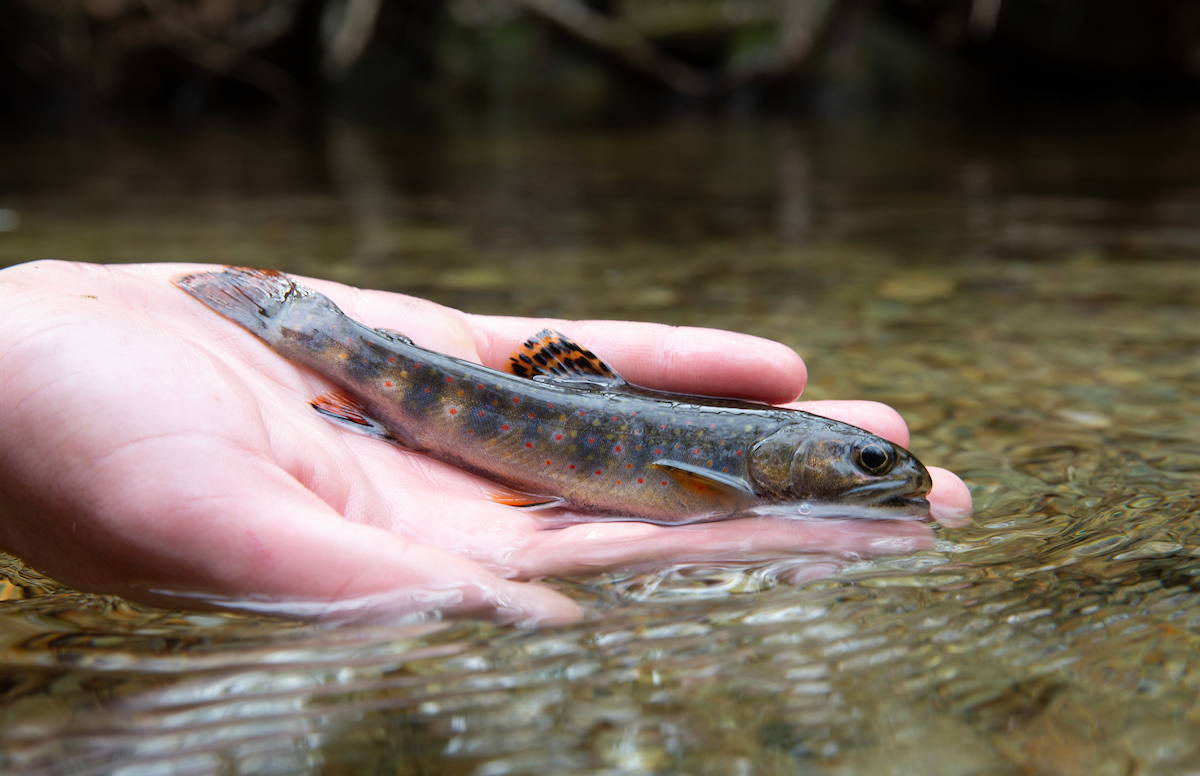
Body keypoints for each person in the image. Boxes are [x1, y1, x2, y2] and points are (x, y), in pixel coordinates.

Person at [0, 260, 972, 625]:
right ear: (784, 460)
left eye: (872, 463)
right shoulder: (728, 475)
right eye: (867, 462)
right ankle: (302, 329)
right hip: (441, 394)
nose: (882, 472)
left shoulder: (748, 470)